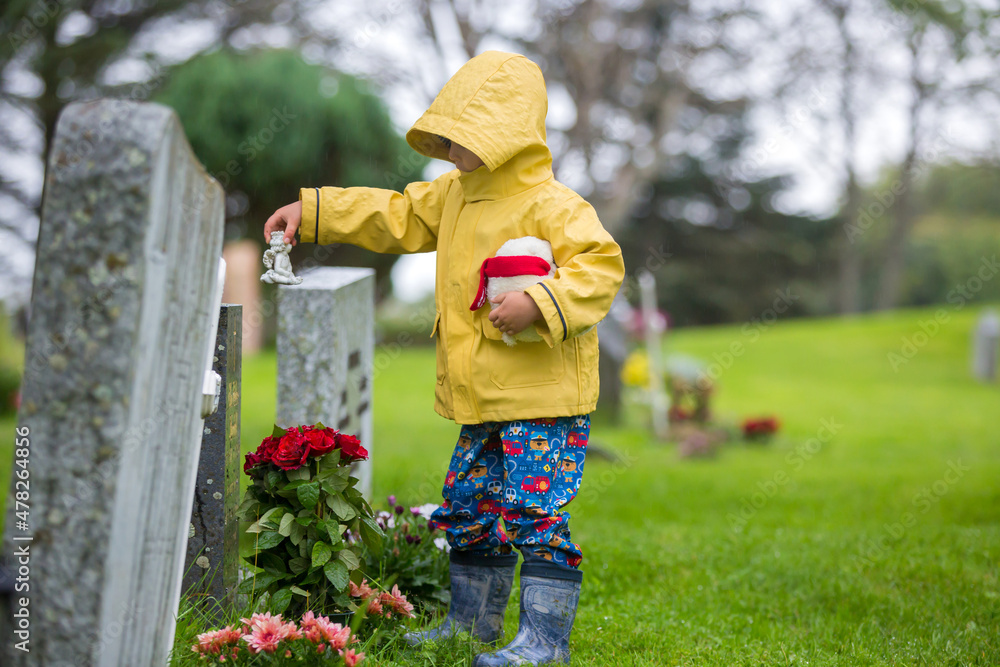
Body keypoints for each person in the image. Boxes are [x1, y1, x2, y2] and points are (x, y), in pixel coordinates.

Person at [264, 50, 625, 667]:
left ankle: (544, 643)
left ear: (507, 138)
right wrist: (315, 211)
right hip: (483, 398)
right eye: (446, 137)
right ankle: (472, 626)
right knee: (467, 505)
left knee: (535, 511)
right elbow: (394, 214)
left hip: (543, 400)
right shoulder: (453, 196)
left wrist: (541, 301)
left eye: (464, 139)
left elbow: (600, 268)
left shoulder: (554, 205)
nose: (450, 151)